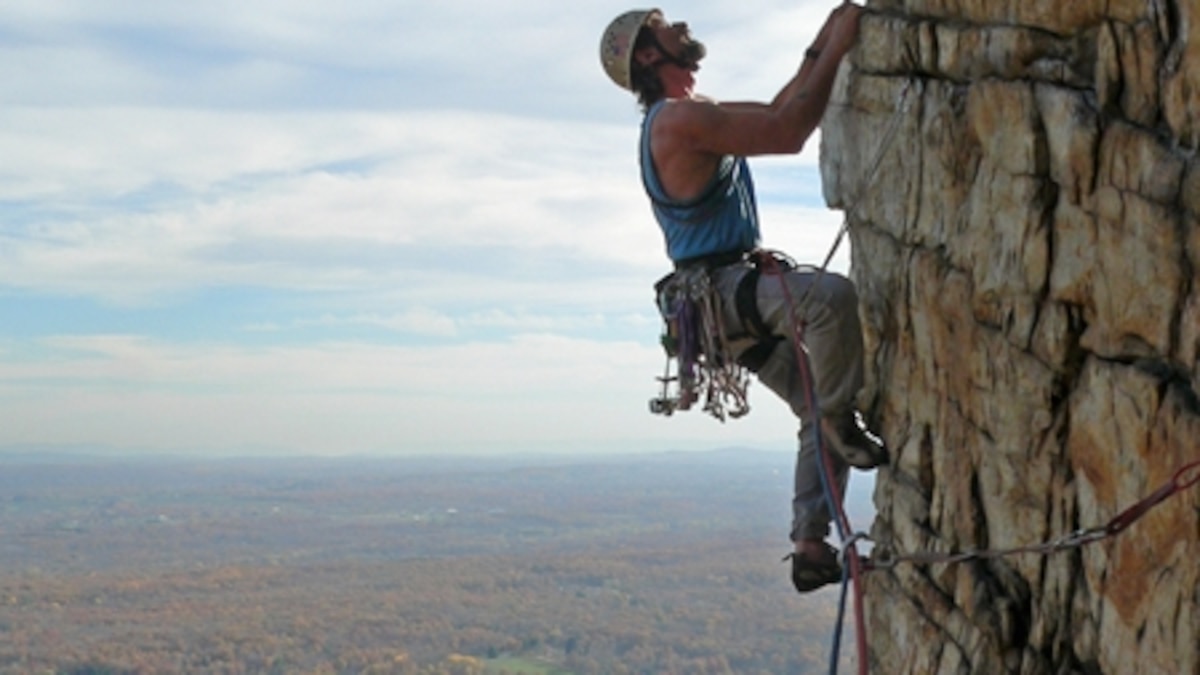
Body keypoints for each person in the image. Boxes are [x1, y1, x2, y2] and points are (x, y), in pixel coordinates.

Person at [600, 4, 887, 593]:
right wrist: (838, 45)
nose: (677, 27)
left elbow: (782, 105)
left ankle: (811, 543)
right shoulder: (676, 122)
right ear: (649, 55)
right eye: (662, 27)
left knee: (815, 400)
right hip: (722, 291)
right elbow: (788, 131)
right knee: (829, 302)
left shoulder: (689, 115)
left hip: (715, 302)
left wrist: (827, 35)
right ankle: (838, 421)